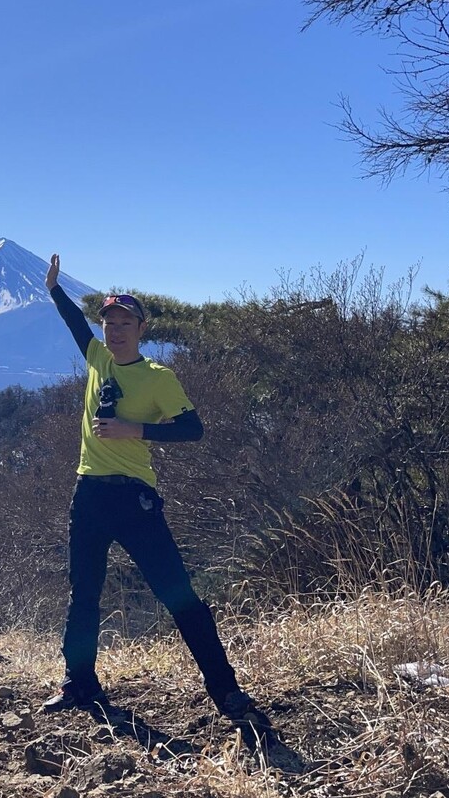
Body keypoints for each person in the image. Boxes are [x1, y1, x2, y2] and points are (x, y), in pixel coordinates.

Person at [41, 253, 283, 754]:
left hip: (135, 497)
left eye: (124, 323)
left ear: (141, 328)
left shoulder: (158, 377)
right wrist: (55, 290)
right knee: (84, 593)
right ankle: (79, 683)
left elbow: (192, 429)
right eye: (109, 323)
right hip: (89, 492)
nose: (115, 331)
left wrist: (135, 429)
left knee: (179, 596)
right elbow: (73, 323)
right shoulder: (98, 358)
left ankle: (227, 691)